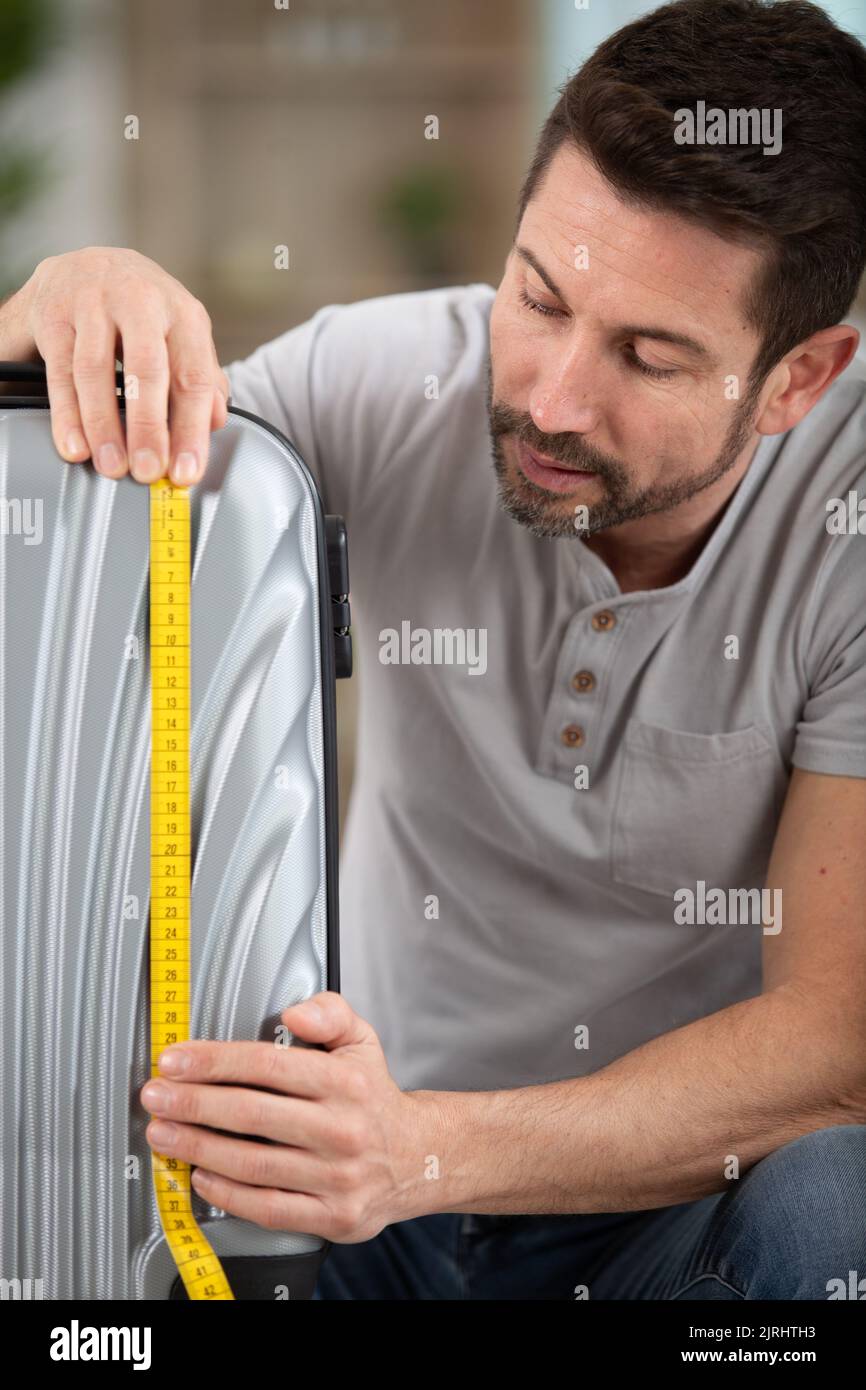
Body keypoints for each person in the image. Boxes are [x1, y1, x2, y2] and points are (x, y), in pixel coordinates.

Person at [2, 0, 865, 1299]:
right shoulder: (381, 381)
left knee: (831, 1203)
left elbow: (831, 1042)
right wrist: (63, 311)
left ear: (798, 380)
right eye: (539, 294)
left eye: (647, 353)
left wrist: (428, 1149)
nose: (549, 398)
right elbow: (96, 500)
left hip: (666, 1219)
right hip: (356, 1193)